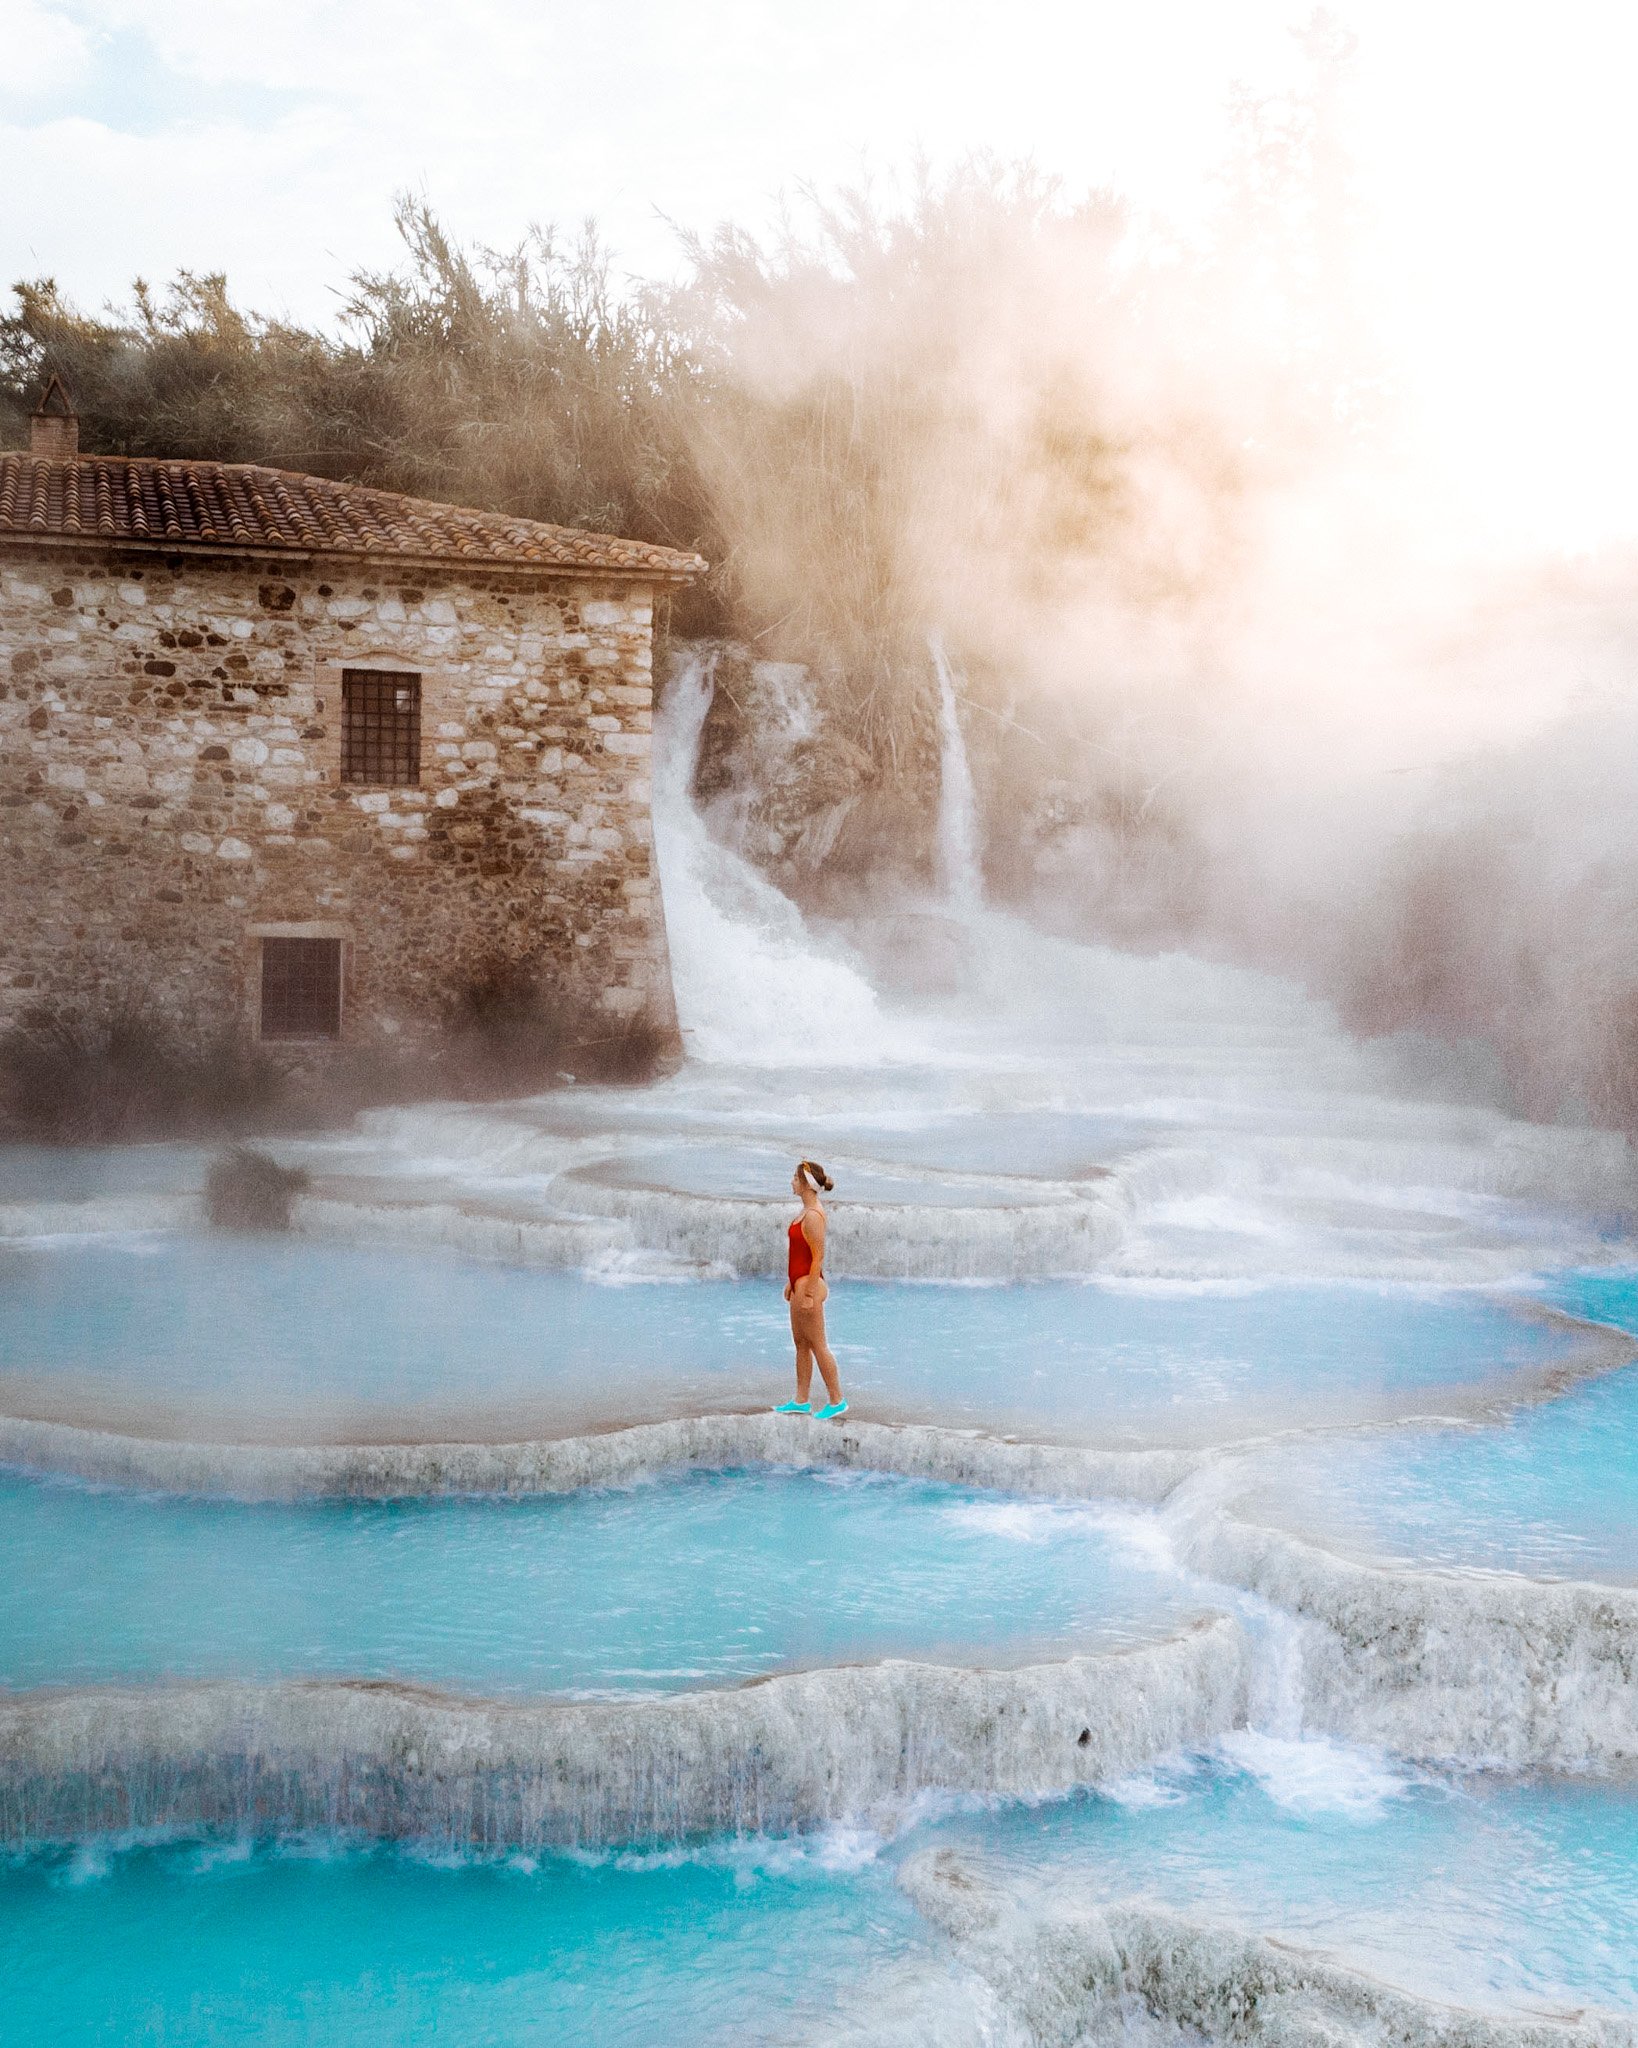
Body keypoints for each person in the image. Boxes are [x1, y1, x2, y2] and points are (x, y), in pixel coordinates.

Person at [775, 1159, 847, 1418]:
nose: (792, 1182)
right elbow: (799, 1253)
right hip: (799, 1282)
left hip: (810, 1284)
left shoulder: (815, 1215)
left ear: (806, 1184)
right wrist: (791, 1282)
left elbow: (818, 1257)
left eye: (795, 1179)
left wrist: (807, 1293)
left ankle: (837, 1399)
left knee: (818, 1343)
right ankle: (801, 1399)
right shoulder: (804, 1212)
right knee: (801, 1343)